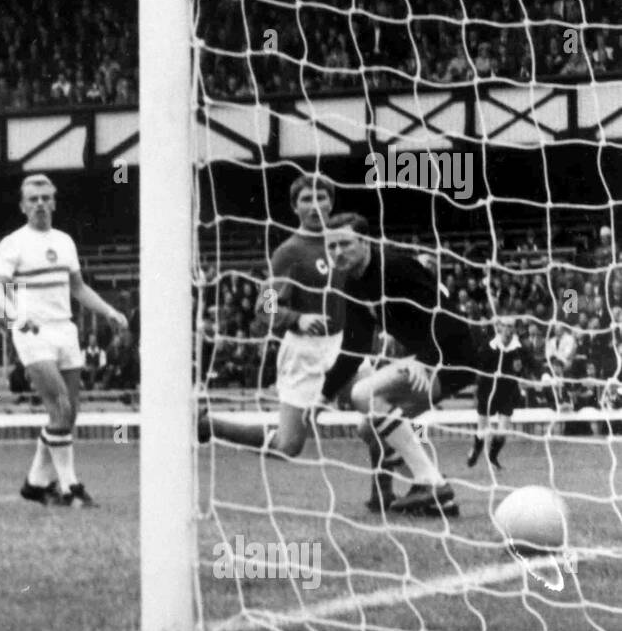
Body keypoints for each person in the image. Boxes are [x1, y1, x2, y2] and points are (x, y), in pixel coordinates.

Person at [324, 213, 484, 517]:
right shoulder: (353, 284)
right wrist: (323, 395)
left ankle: (431, 483)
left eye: (344, 244)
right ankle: (435, 499)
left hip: (453, 353)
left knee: (363, 395)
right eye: (331, 247)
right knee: (368, 427)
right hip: (434, 357)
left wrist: (425, 359)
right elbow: (354, 349)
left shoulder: (395, 267)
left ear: (365, 241)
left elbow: (447, 316)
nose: (338, 253)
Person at [0, 174, 128, 507]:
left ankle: (36, 483)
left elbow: (78, 287)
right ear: (23, 206)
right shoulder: (12, 244)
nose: (39, 204)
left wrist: (109, 311)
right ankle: (70, 486)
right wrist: (17, 318)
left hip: (65, 330)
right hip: (33, 333)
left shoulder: (65, 241)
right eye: (32, 199)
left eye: (45, 198)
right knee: (61, 406)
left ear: (54, 202)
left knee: (68, 415)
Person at [200, 174, 345, 459]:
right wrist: (296, 318)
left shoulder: (343, 243)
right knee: (288, 446)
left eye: (321, 197)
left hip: (344, 346)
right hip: (306, 353)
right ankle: (209, 425)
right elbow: (264, 307)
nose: (315, 205)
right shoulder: (289, 252)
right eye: (306, 199)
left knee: (376, 404)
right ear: (295, 208)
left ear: (331, 202)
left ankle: (385, 492)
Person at [466, 316, 527, 470]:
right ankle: (475, 451)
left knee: (503, 430)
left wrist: (543, 376)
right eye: (505, 326)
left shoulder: (519, 349)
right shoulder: (489, 346)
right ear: (499, 327)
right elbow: (478, 366)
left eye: (511, 326)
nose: (508, 330)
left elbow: (531, 365)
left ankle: (493, 457)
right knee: (482, 429)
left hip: (507, 393)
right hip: (487, 392)